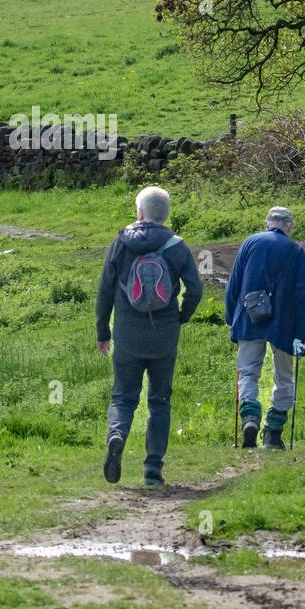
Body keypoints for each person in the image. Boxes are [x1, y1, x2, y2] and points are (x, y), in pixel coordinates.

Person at [96, 185, 203, 486]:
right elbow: (195, 289)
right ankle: (153, 470)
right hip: (164, 335)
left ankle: (117, 434)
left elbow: (105, 290)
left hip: (127, 334)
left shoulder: (120, 243)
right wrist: (181, 316)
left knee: (123, 396)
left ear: (140, 213)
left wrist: (103, 331)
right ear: (166, 214)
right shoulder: (177, 246)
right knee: (159, 400)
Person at [225, 206, 305, 450]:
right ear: (289, 226)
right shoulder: (295, 250)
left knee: (248, 372)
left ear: (267, 222)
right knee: (283, 376)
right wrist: (303, 332)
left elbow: (234, 284)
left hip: (249, 317)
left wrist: (231, 317)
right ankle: (273, 434)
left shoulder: (249, 243)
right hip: (284, 324)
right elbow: (302, 295)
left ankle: (250, 417)